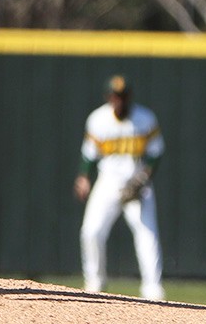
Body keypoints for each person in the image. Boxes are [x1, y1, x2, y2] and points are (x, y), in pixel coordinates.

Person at [73, 74, 165, 301]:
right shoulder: (98, 119)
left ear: (129, 97)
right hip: (108, 181)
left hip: (137, 182)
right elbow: (89, 155)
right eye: (115, 96)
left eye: (122, 96)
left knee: (147, 234)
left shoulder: (144, 118)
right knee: (91, 231)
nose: (119, 101)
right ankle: (95, 281)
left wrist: (143, 177)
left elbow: (155, 152)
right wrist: (84, 177)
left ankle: (152, 288)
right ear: (109, 97)